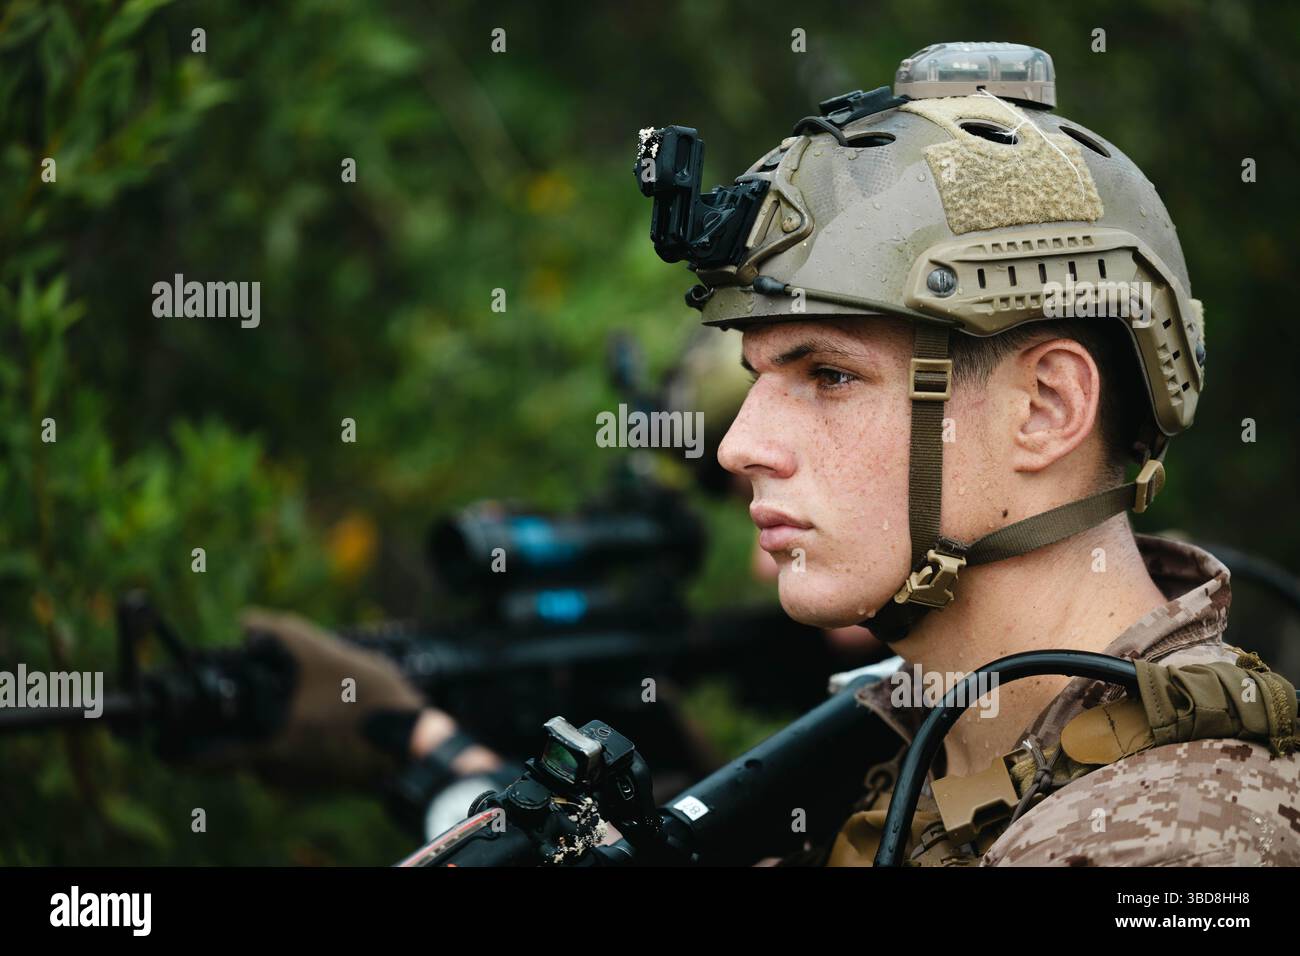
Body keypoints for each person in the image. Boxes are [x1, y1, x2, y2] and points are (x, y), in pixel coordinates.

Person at [639, 41, 1299, 865]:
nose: (740, 446)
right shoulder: (924, 743)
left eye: (831, 375)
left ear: (1047, 409)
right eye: (758, 380)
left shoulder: (1175, 837)